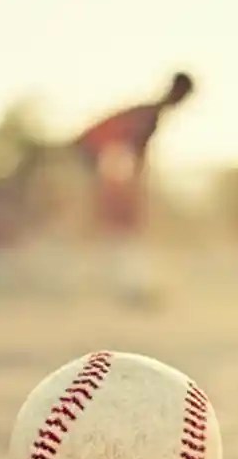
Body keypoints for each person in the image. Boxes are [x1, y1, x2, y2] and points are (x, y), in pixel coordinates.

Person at [74, 72, 194, 305]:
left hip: (96, 158)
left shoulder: (148, 113)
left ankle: (127, 285)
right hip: (88, 155)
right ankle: (124, 287)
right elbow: (130, 150)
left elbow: (132, 154)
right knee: (114, 223)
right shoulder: (148, 116)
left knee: (118, 224)